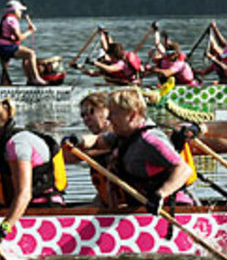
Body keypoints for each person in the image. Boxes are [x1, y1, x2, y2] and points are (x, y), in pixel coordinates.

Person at [68, 87, 197, 213]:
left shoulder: (150, 140)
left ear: (132, 115)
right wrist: (77, 140)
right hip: (140, 207)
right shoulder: (122, 136)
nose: (109, 119)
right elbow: (97, 141)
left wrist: (160, 194)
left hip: (171, 209)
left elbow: (184, 169)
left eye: (113, 114)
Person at [0, 97, 67, 248]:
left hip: (40, 208)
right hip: (17, 207)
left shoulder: (17, 144)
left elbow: (24, 195)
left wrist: (3, 230)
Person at [63, 92, 116, 205]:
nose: (86, 119)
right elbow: (69, 158)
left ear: (106, 110)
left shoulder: (117, 133)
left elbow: (102, 142)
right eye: (83, 115)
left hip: (126, 204)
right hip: (107, 199)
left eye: (91, 112)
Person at [0, 0, 46, 86]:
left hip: (5, 46)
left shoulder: (7, 18)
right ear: (15, 11)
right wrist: (30, 31)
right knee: (31, 54)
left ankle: (30, 79)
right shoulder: (12, 20)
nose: (21, 13)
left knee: (26, 56)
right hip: (6, 48)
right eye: (20, 11)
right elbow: (19, 37)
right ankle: (36, 78)